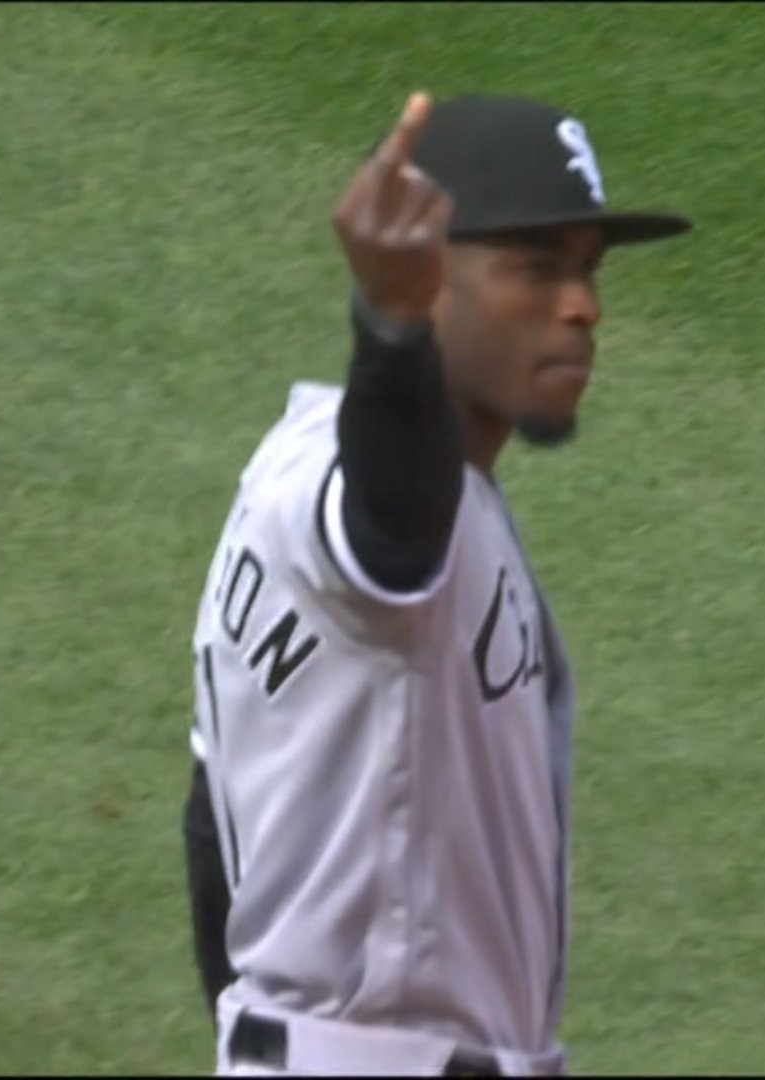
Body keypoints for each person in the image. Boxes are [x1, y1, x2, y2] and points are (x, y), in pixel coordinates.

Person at [180, 90, 692, 1076]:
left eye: (587, 271)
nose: (583, 305)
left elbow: (212, 821)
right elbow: (393, 528)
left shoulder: (294, 474)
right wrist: (389, 329)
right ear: (427, 281)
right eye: (535, 268)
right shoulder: (370, 501)